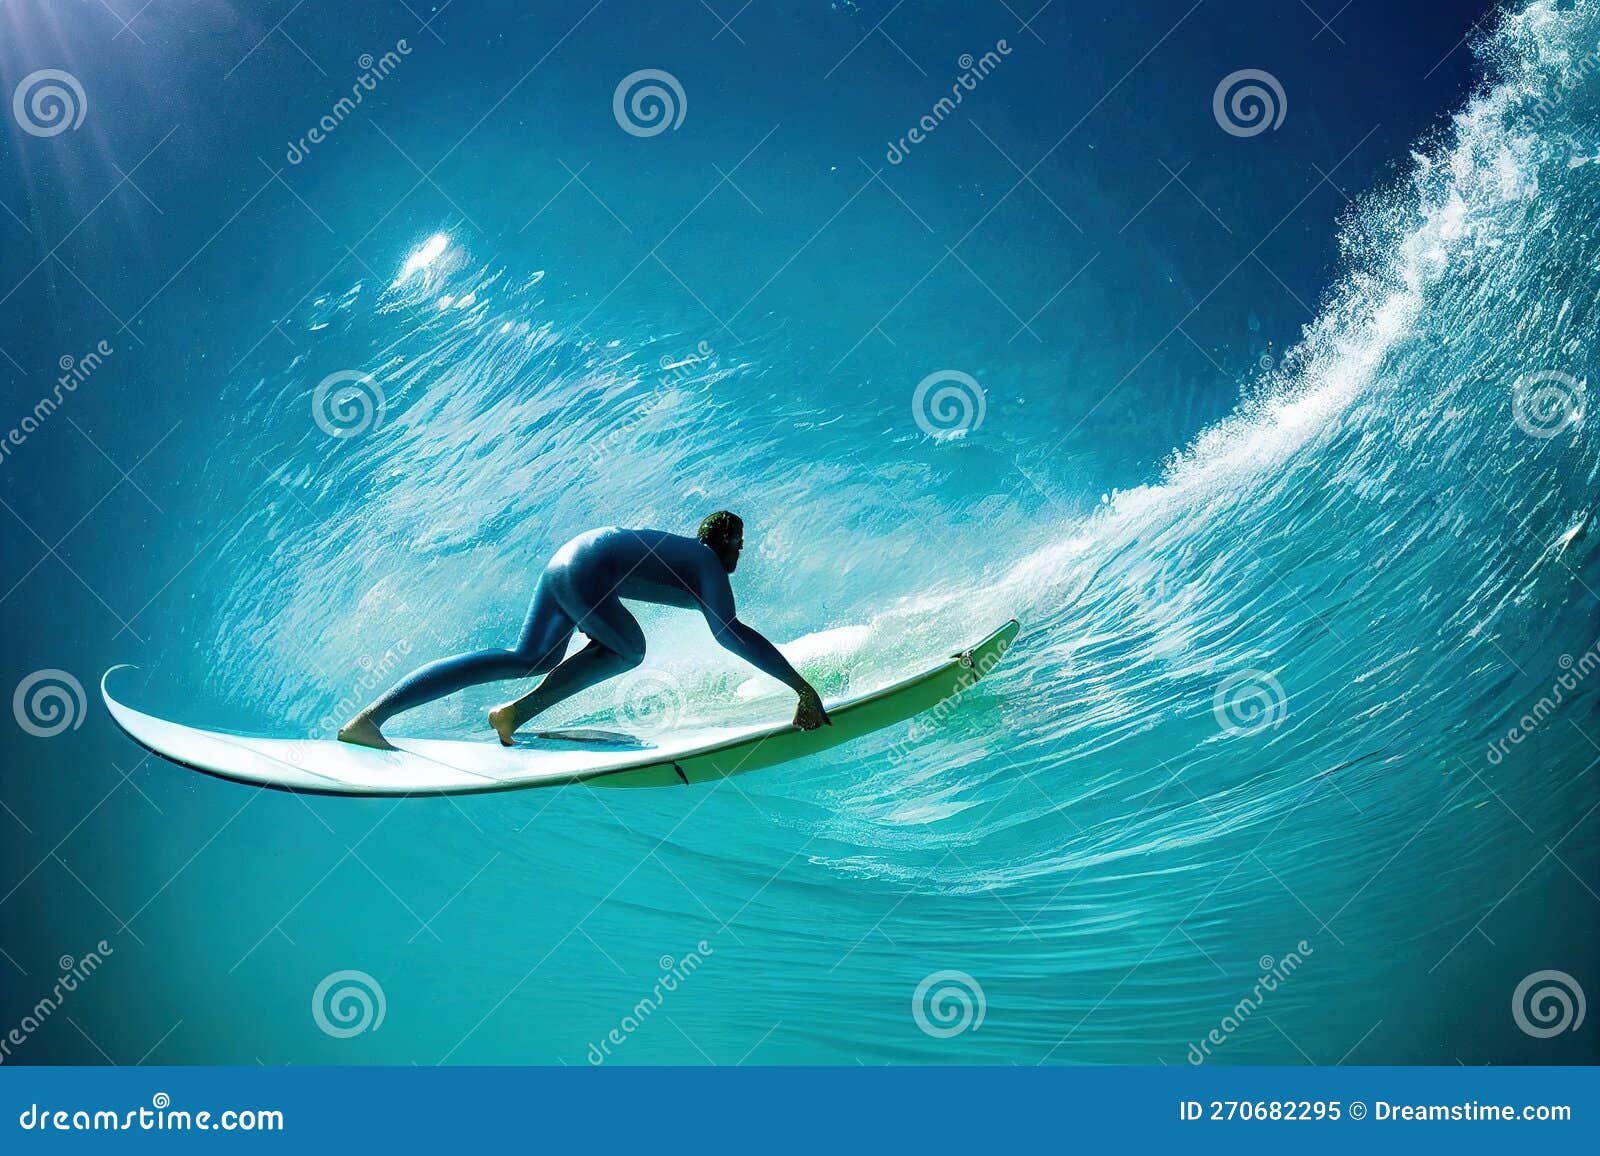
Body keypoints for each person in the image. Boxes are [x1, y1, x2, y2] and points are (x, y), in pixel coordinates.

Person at [337, 512, 832, 749]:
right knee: (630, 648)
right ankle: (510, 712)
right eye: (737, 542)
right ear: (720, 540)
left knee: (530, 657)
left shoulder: (689, 558)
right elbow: (730, 633)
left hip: (568, 560)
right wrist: (803, 689)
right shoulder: (706, 561)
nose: (739, 552)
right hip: (588, 568)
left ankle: (375, 718)